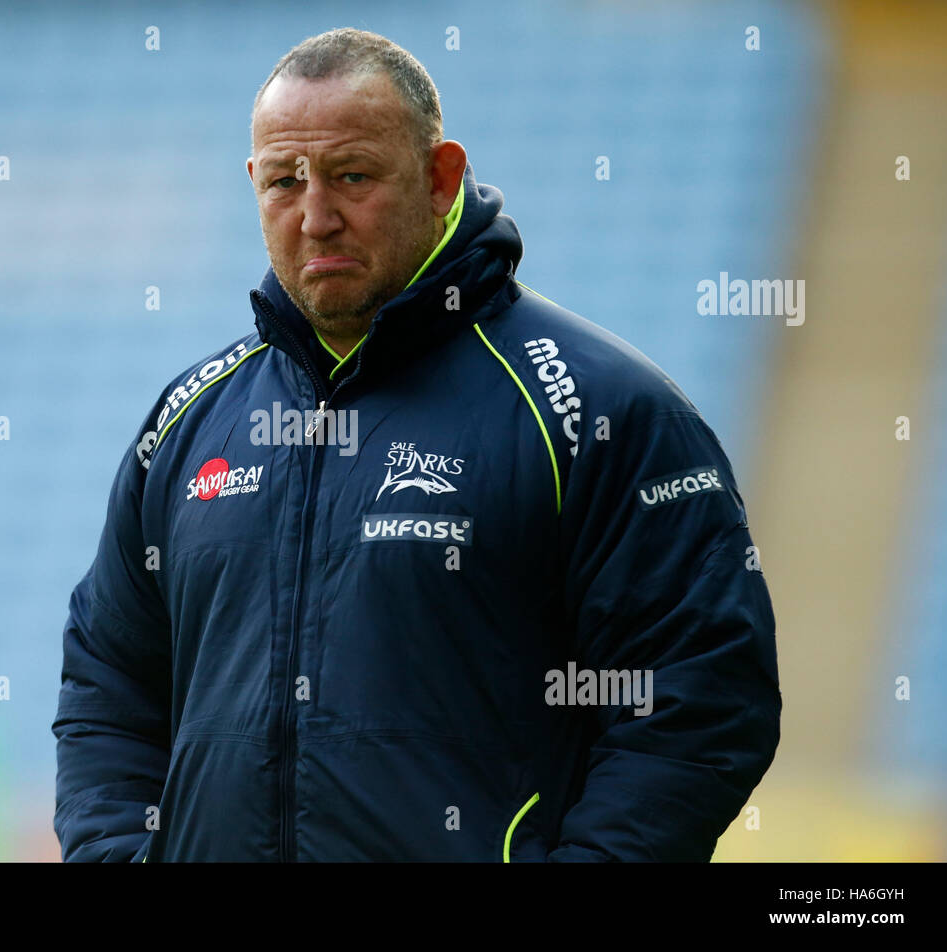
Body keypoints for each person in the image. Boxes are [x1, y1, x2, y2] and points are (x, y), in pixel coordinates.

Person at [53, 28, 780, 862]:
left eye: (353, 176)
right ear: (255, 186)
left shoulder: (598, 407)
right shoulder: (190, 423)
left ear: (442, 178)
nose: (316, 216)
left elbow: (700, 697)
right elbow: (107, 679)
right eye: (285, 182)